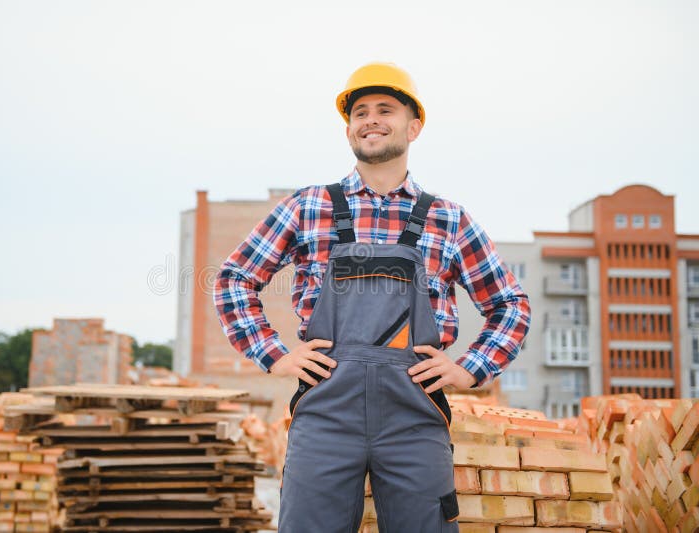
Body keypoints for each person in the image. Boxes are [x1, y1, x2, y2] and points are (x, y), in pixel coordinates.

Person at [214, 62, 531, 533]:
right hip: (326, 415)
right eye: (360, 112)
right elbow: (234, 278)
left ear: (414, 126)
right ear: (349, 130)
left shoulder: (448, 218)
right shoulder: (309, 206)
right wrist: (276, 355)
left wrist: (468, 369)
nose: (371, 119)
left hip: (415, 418)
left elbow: (511, 305)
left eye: (386, 109)